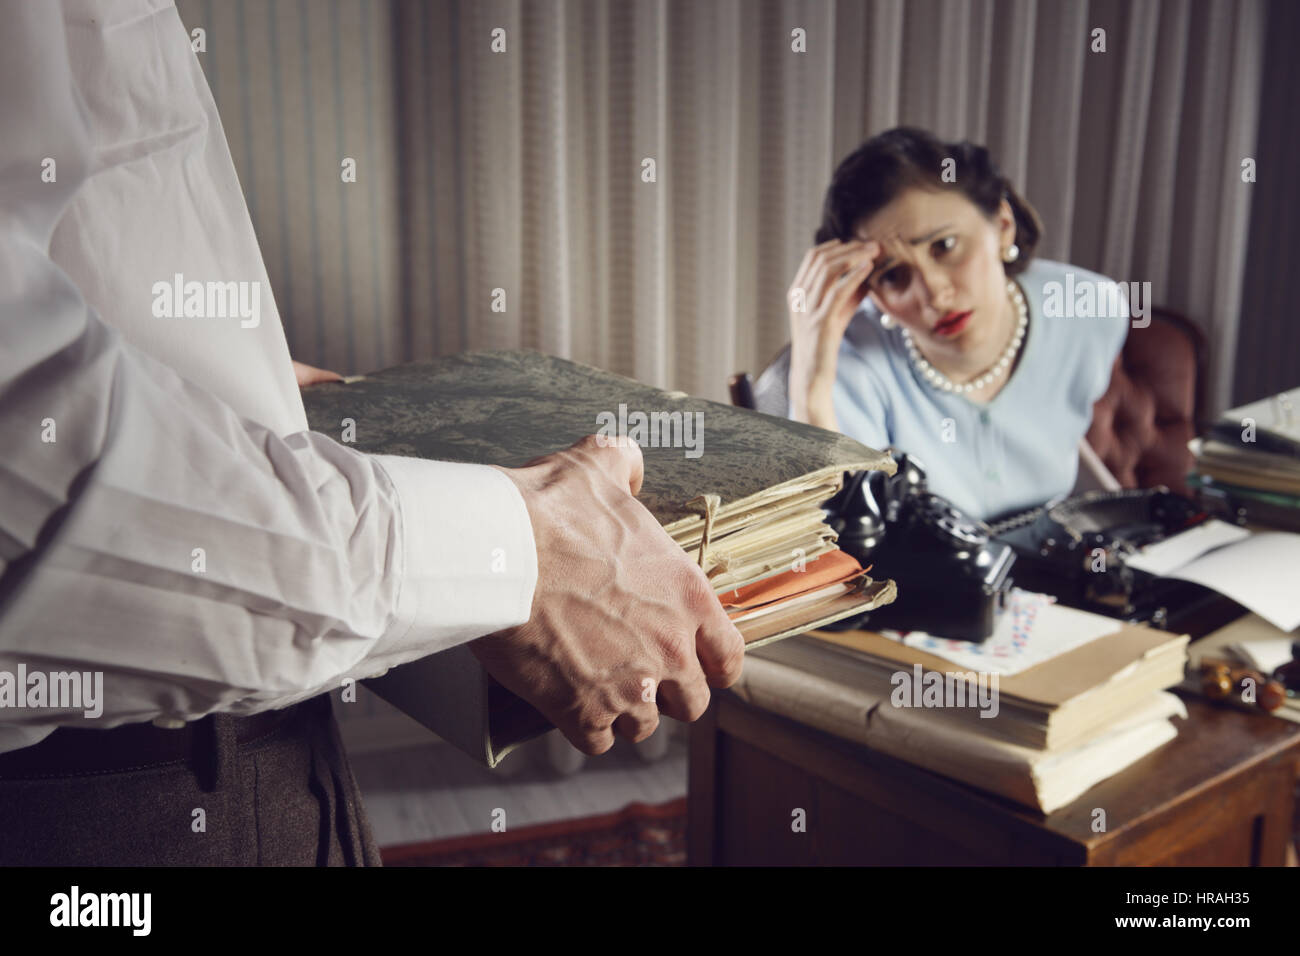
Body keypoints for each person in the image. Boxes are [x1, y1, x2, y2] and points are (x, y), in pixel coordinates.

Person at [0, 0, 743, 865]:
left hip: (254, 741)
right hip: (90, 800)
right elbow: (30, 477)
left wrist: (222, 396)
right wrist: (519, 548)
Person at [787, 127, 1131, 523]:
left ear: (1003, 225)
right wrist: (811, 382)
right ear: (872, 291)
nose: (934, 294)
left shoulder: (1089, 309)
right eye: (893, 275)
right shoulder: (852, 365)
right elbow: (836, 535)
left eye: (944, 246)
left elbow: (1061, 433)